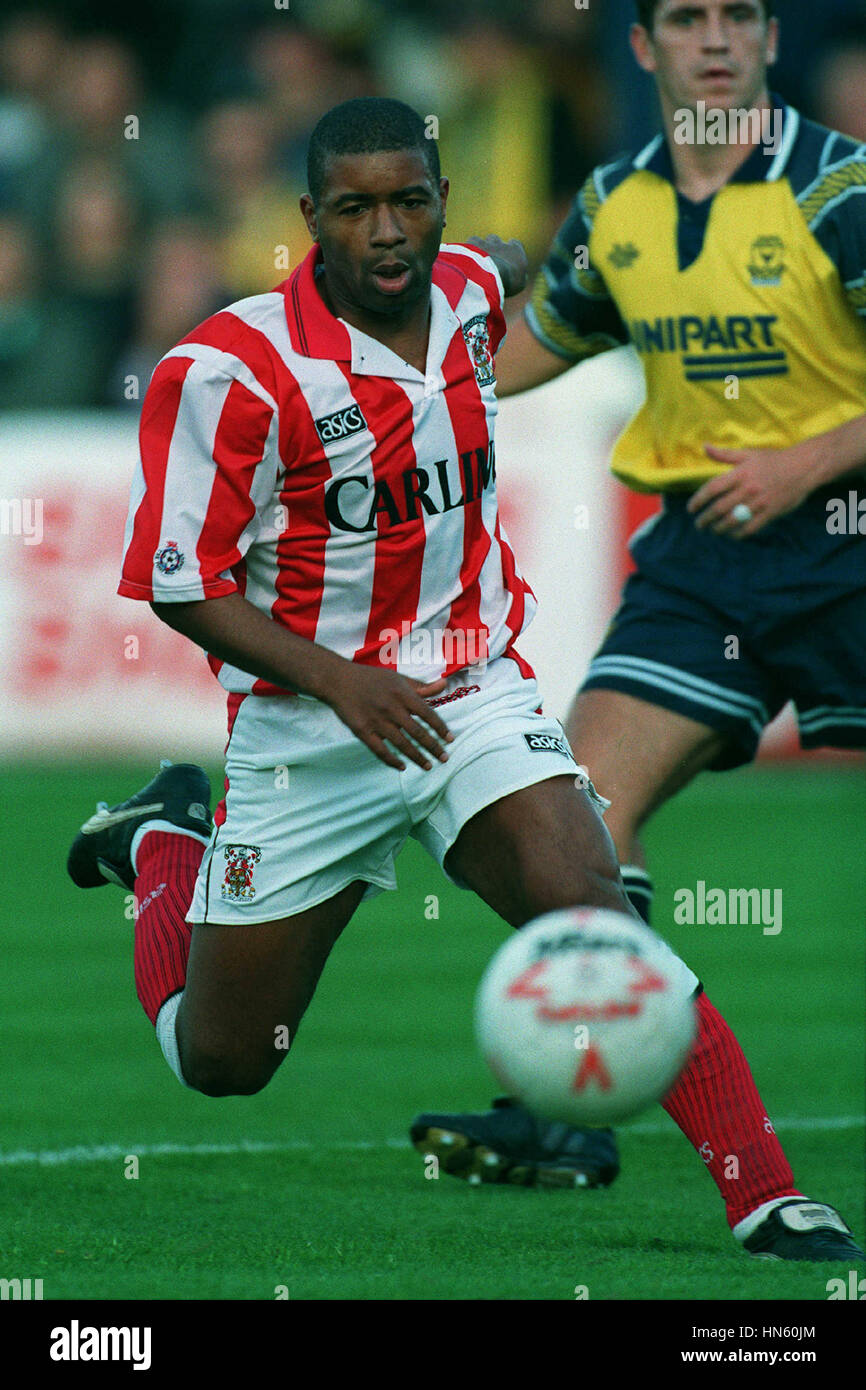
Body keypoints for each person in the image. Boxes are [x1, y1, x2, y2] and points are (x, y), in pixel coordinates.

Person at [68, 97, 860, 1263]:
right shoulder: (227, 371)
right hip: (310, 728)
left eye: (409, 201)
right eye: (354, 208)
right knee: (221, 1062)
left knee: (591, 910)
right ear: (308, 219)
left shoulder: (474, 301)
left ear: (440, 202)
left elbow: (503, 259)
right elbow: (183, 583)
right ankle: (162, 845)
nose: (386, 232)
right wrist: (342, 684)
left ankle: (766, 1195)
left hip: (467, 696)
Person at [416, 1, 866, 1257]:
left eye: (736, 14)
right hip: (703, 567)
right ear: (641, 47)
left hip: (849, 547)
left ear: (768, 37)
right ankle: (575, 1110)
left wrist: (804, 461)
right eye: (684, 16)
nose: (712, 37)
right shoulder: (614, 201)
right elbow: (528, 347)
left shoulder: (836, 190)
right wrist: (398, 342)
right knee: (575, 827)